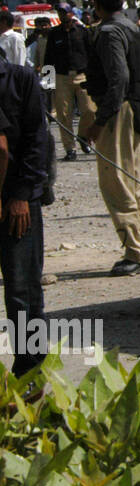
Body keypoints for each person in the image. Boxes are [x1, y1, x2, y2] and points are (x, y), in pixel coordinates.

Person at [82, 0, 140, 276]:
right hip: (136, 108)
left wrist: (100, 121)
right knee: (136, 179)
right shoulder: (134, 29)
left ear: (97, 6)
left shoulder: (110, 32)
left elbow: (118, 79)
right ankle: (139, 246)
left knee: (116, 181)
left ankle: (136, 251)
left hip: (119, 112)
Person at [0, 52, 51, 378]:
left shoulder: (20, 79)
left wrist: (19, 197)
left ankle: (31, 375)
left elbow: (36, 142)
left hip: (18, 201)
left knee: (23, 292)